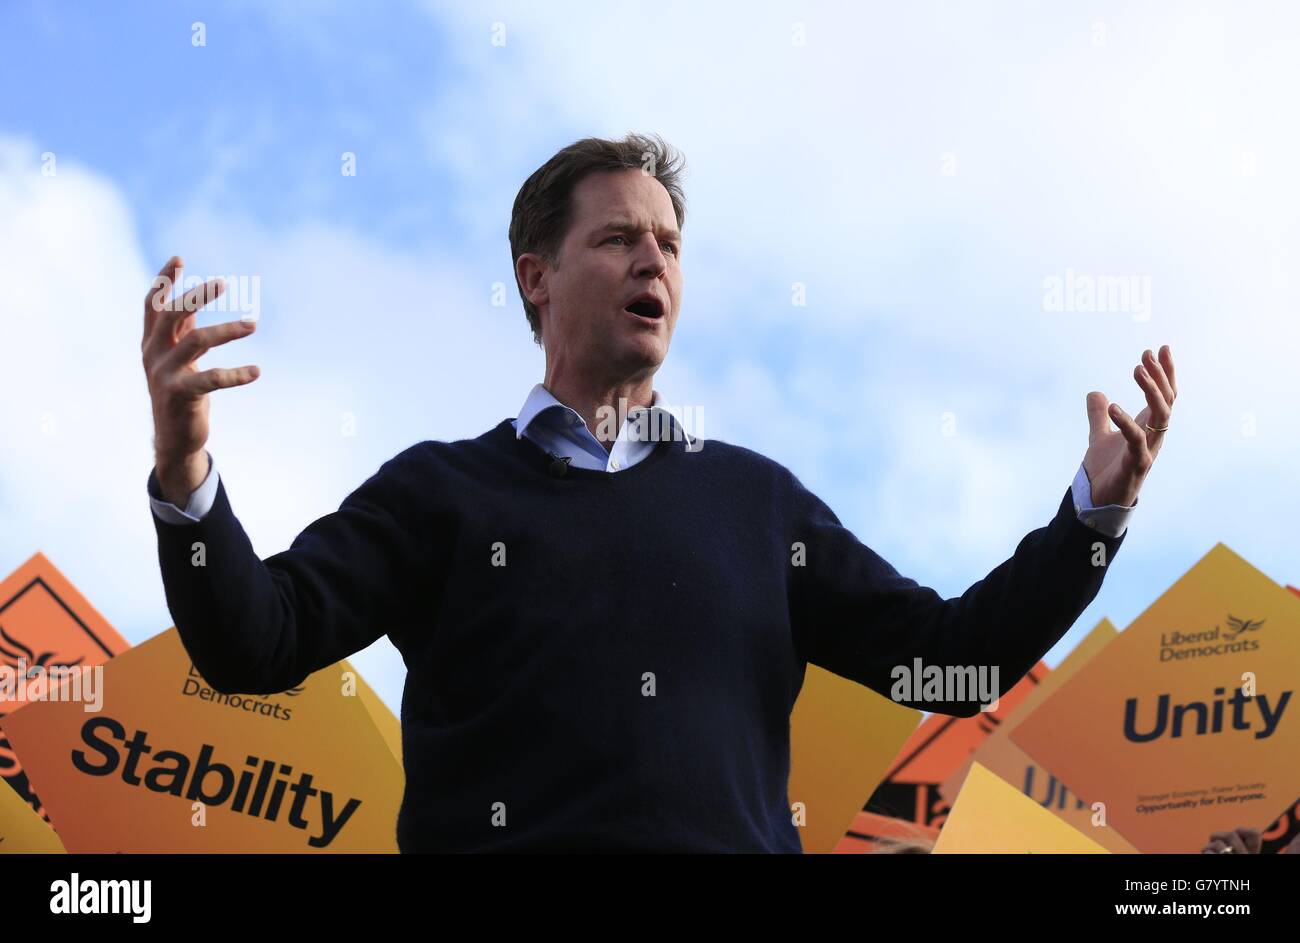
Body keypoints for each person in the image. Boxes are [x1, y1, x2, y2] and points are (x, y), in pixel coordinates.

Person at [139, 133, 1177, 852]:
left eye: (670, 245)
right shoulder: (436, 494)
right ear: (536, 276)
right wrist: (185, 466)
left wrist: (1093, 513)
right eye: (619, 239)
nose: (655, 262)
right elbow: (252, 643)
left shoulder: (759, 506)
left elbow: (950, 662)